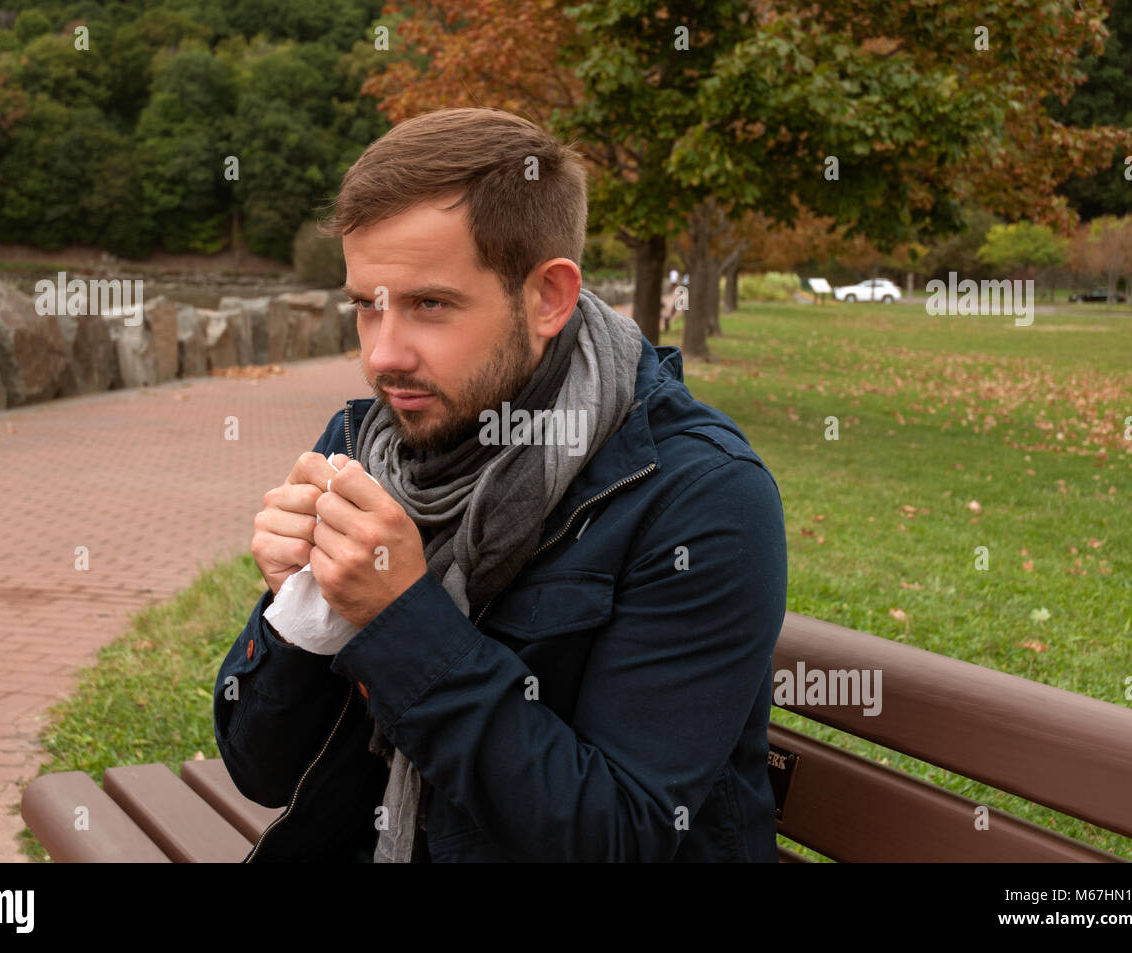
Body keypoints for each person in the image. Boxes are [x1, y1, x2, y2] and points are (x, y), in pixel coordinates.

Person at [214, 106, 788, 862]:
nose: (384, 356)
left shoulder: (700, 497)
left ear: (547, 297)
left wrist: (401, 619)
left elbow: (619, 835)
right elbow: (263, 770)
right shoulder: (367, 446)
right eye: (366, 306)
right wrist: (298, 621)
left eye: (430, 305)